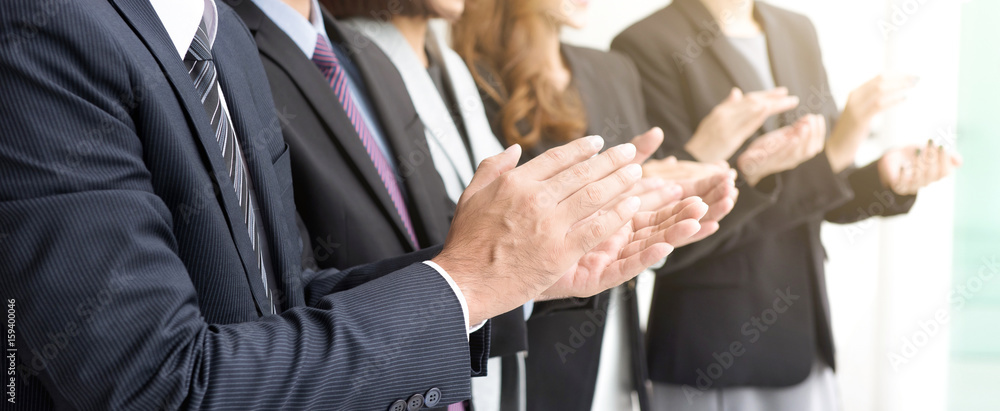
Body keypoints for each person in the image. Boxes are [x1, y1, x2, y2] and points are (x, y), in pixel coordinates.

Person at [0, 0, 709, 408]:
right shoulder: (44, 29)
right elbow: (158, 388)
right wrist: (468, 281)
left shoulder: (220, 42)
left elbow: (286, 300)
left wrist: (509, 281)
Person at [451, 0, 833, 409]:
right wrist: (701, 152)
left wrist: (705, 164)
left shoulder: (612, 69)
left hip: (618, 344)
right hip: (528, 351)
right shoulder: (467, 80)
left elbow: (642, 201)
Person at [612, 0, 962, 409]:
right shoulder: (645, 43)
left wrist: (882, 178)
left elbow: (819, 196)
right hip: (717, 346)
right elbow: (668, 225)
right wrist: (754, 170)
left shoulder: (796, 29)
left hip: (805, 337)